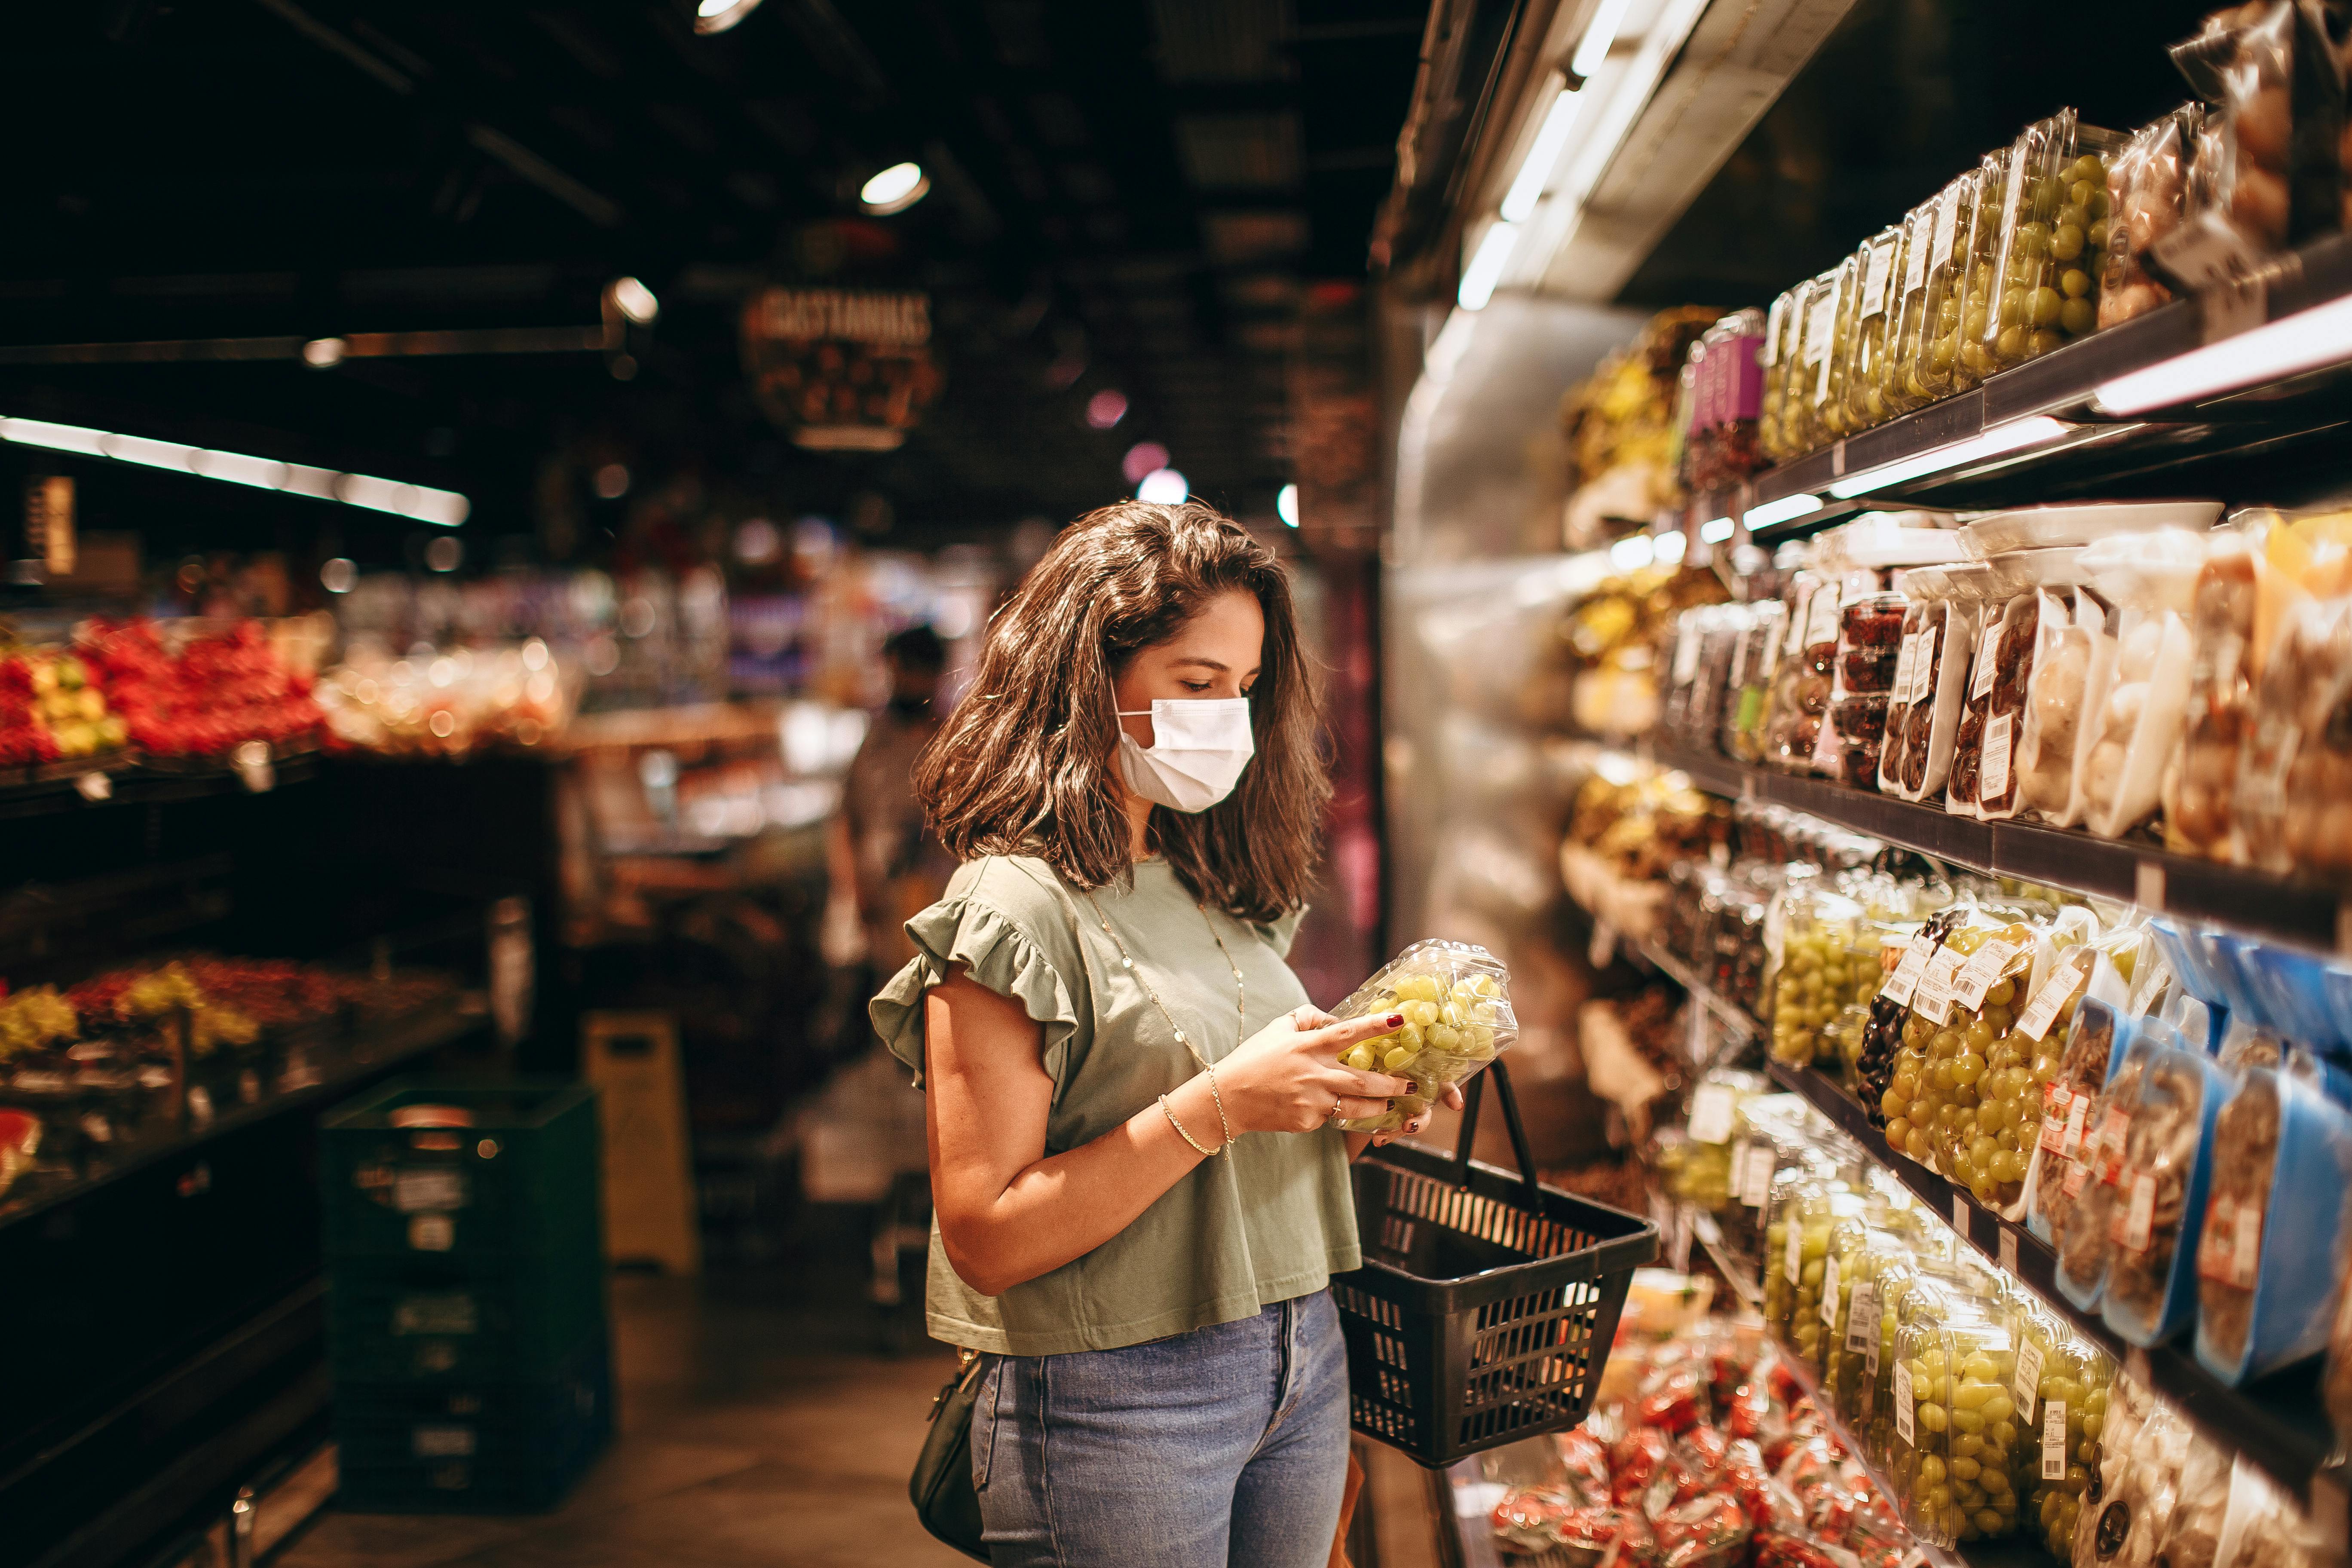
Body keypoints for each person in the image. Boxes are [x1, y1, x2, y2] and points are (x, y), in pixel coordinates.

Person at [872, 500, 1461, 1568]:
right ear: (1082, 676)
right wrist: (1223, 1101)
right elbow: (986, 1235)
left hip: (1299, 1355)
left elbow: (1229, 1162)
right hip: (1118, 1394)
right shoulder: (1013, 907)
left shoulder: (1208, 881)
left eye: (1242, 691)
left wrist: (1354, 1108)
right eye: (1194, 684)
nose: (1225, 719)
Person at [841, 624, 958, 971]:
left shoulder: (953, 740)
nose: (903, 682)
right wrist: (856, 890)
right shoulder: (876, 741)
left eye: (911, 672)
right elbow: (848, 820)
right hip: (880, 904)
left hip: (940, 900)